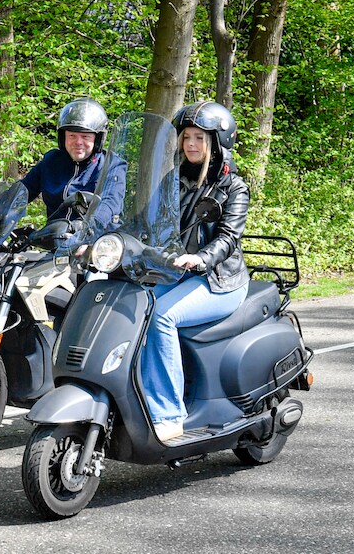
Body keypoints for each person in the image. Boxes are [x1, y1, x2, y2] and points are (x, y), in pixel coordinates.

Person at [142, 100, 251, 443]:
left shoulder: (233, 188)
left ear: (217, 143)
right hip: (178, 273)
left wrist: (201, 258)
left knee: (161, 316)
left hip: (219, 280)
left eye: (199, 138)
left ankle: (169, 414)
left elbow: (229, 238)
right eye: (186, 136)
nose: (191, 144)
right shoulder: (173, 181)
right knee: (132, 305)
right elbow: (150, 222)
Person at [20, 98, 126, 233]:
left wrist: (89, 226)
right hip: (58, 243)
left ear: (98, 139)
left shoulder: (111, 165)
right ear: (63, 137)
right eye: (72, 136)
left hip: (101, 244)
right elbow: (22, 192)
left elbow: (110, 203)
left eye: (85, 136)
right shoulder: (51, 162)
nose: (78, 142)